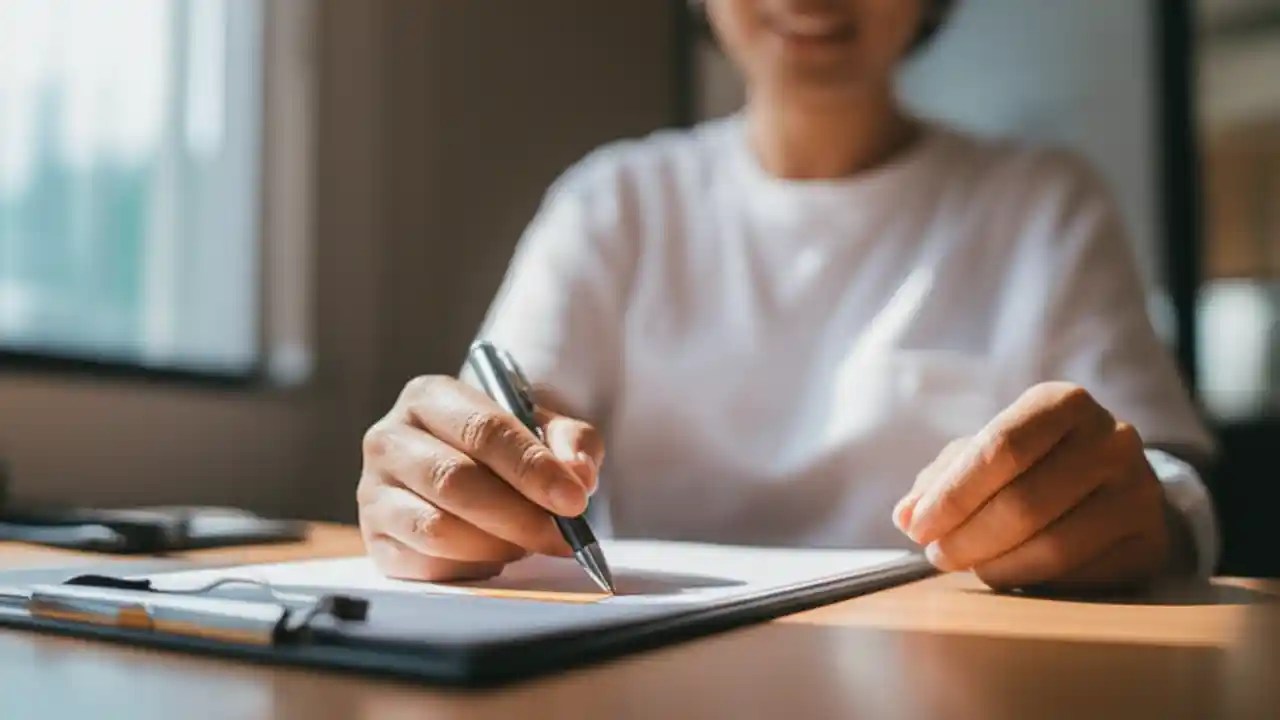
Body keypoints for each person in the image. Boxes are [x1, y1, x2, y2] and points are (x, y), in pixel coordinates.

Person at [357, 0, 1215, 592]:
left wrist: (1155, 518)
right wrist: (448, 487)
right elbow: (504, 423)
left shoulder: (1041, 205)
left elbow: (1163, 481)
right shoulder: (612, 203)